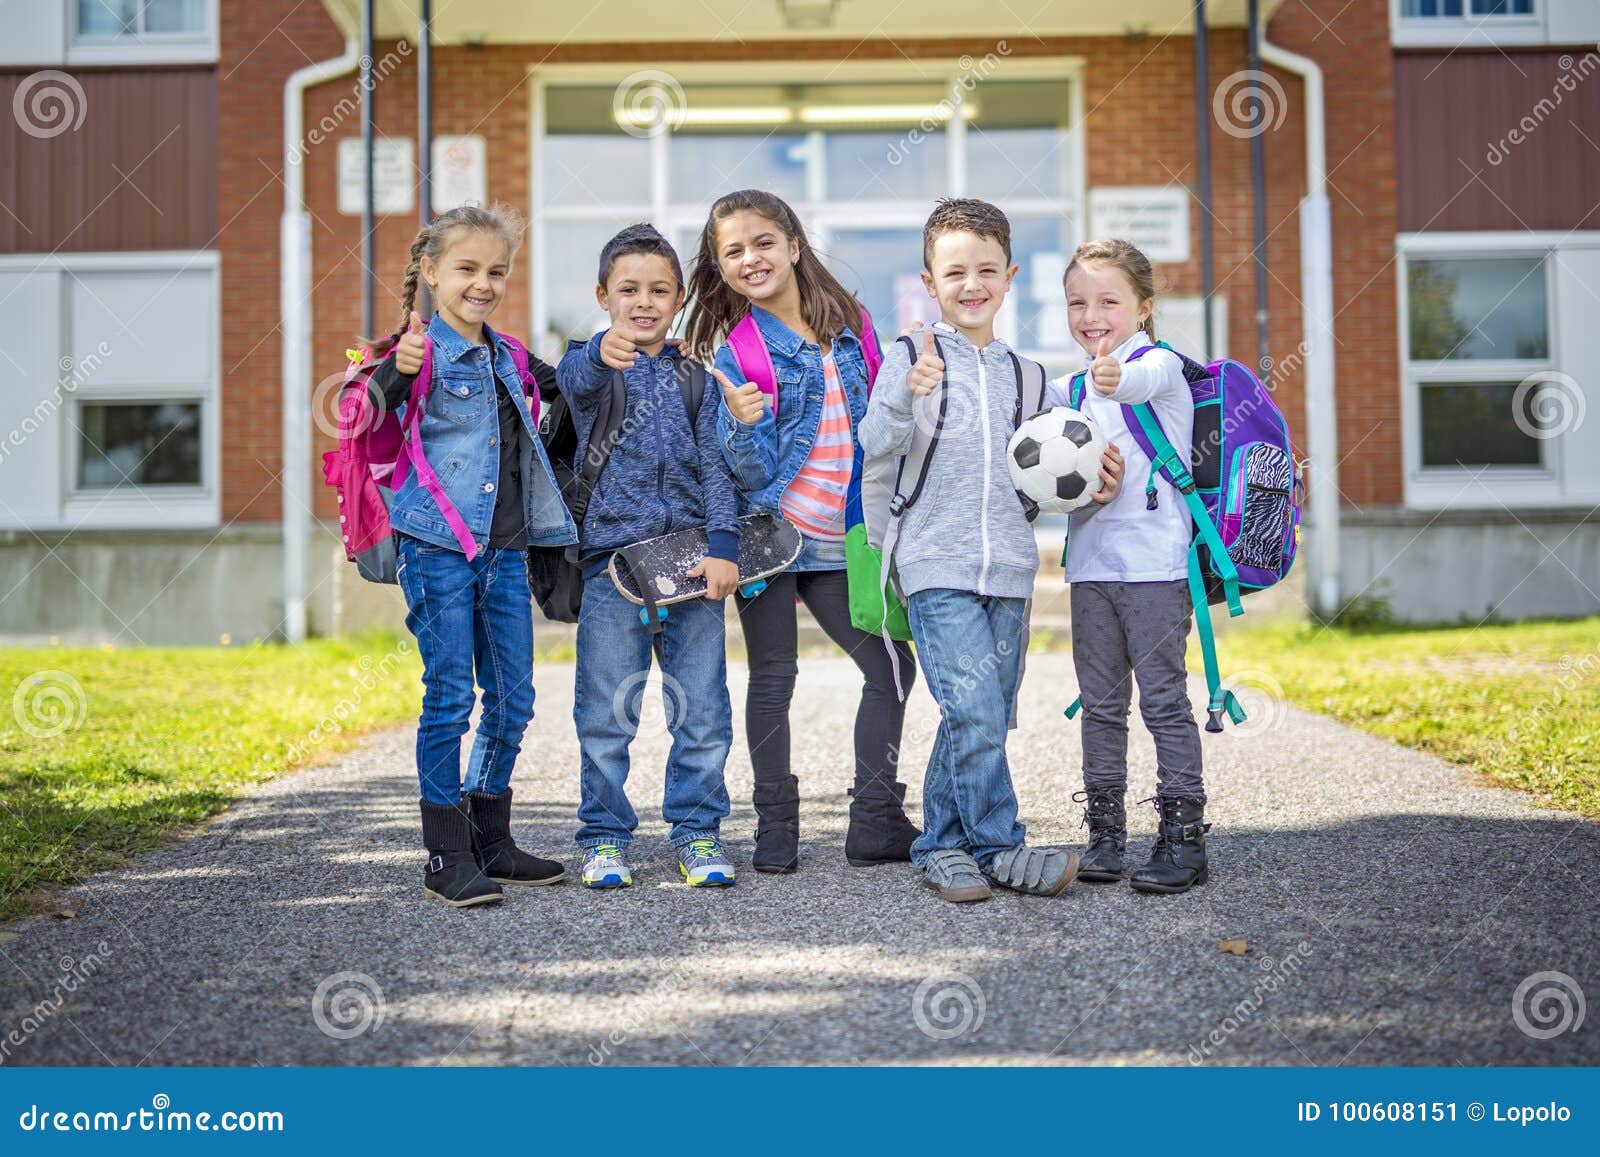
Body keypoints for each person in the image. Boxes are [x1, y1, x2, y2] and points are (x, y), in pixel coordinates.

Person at [859, 199, 1123, 903]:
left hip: (1010, 569)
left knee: (984, 714)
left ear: (1007, 277)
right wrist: (902, 399)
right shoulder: (909, 356)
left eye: (984, 270)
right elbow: (875, 445)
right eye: (954, 272)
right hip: (932, 564)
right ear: (929, 281)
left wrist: (1096, 487)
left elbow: (1041, 486)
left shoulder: (1031, 377)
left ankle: (941, 843)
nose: (970, 284)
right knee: (972, 708)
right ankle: (1000, 843)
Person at [683, 189, 919, 875]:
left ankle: (874, 818)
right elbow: (743, 472)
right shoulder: (739, 352)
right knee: (773, 676)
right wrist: (744, 423)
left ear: (792, 243)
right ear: (722, 267)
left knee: (892, 666)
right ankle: (775, 826)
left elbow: (882, 426)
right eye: (733, 251)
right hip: (772, 535)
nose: (750, 258)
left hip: (845, 536)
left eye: (762, 242)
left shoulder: (853, 322)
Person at [367, 203, 573, 907]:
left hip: (507, 550)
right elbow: (361, 412)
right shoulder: (414, 352)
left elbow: (565, 388)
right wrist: (396, 370)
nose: (481, 284)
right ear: (430, 272)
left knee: (513, 698)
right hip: (436, 546)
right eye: (465, 269)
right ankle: (444, 853)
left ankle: (492, 838)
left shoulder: (510, 354)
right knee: (451, 696)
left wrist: (608, 353)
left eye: (495, 271)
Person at [556, 224, 741, 889]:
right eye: (628, 289)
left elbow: (718, 468)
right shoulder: (590, 364)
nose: (644, 301)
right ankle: (605, 838)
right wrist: (603, 354)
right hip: (613, 569)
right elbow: (574, 379)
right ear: (603, 294)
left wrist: (724, 548)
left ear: (680, 296)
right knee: (606, 715)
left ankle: (697, 833)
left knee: (703, 711)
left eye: (660, 289)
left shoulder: (698, 377)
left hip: (693, 565)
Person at [1051, 238, 1209, 894]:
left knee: (1165, 703)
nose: (1092, 314)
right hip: (1091, 569)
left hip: (1154, 570)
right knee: (1102, 706)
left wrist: (1115, 374)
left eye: (1108, 301)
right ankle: (1106, 835)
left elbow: (1138, 380)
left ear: (1143, 308)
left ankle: (1183, 837)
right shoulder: (1068, 389)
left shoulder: (1158, 367)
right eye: (1077, 302)